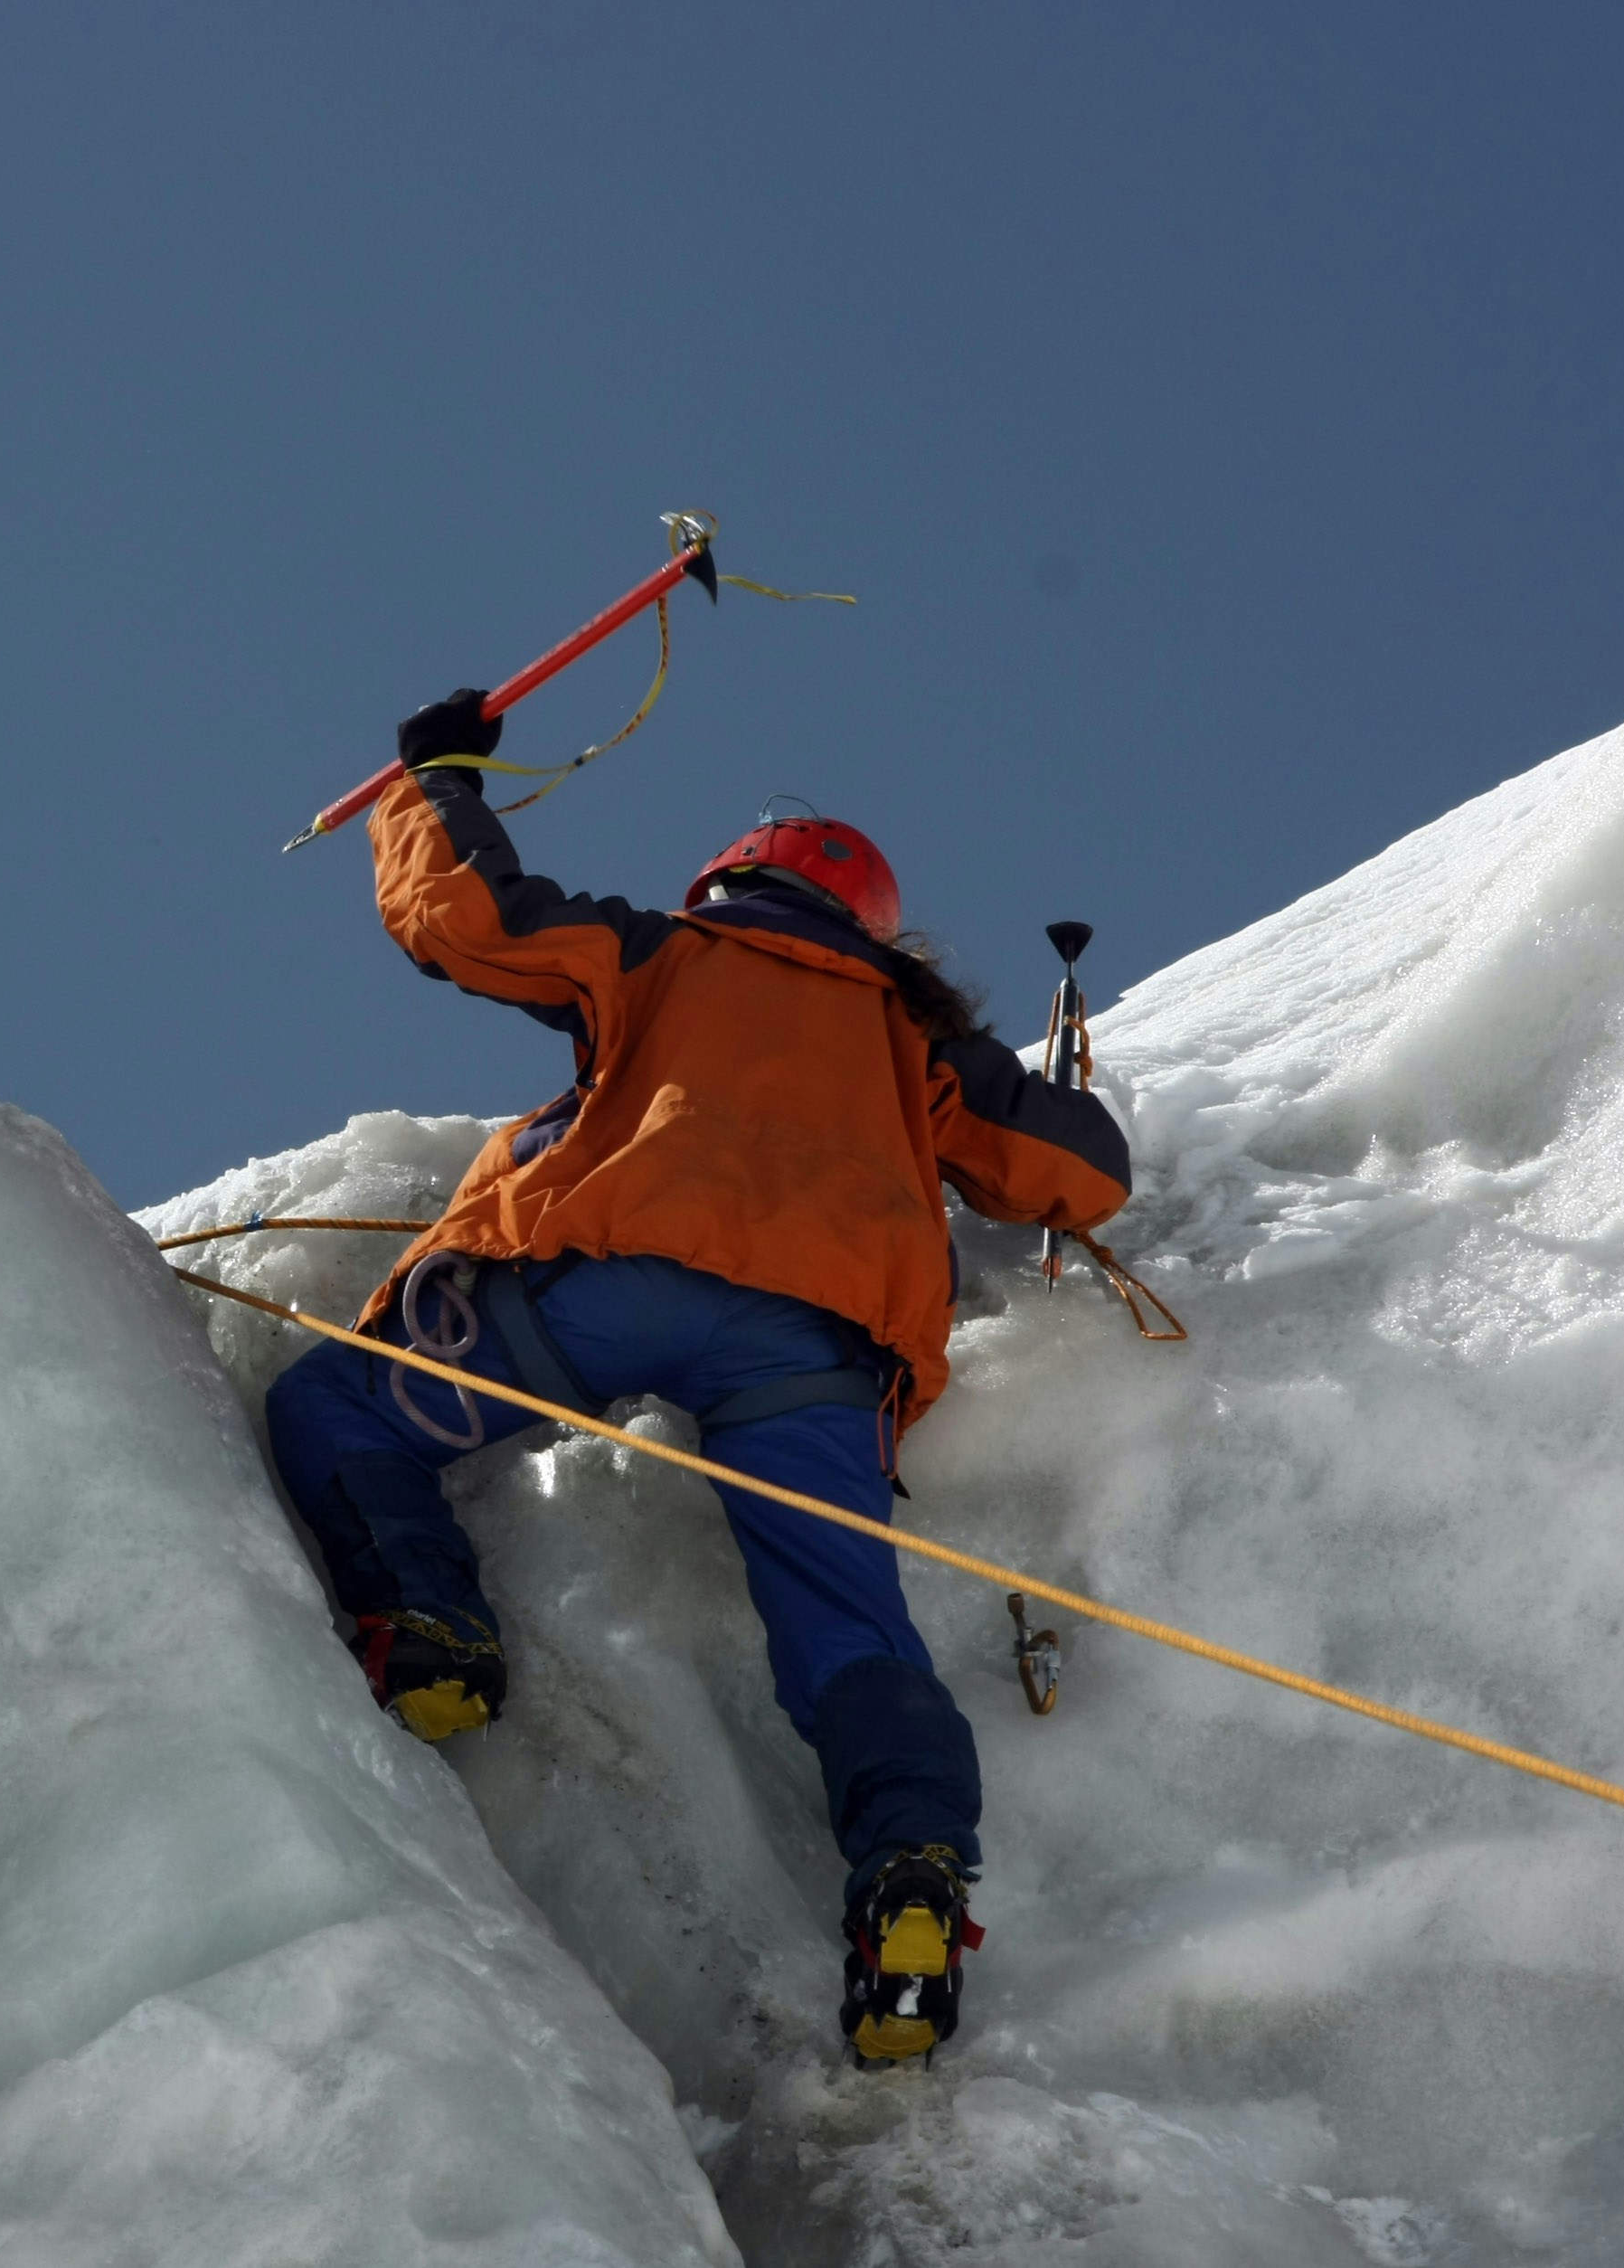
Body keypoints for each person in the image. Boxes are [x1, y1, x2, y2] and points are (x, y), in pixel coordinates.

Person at [265, 690, 1131, 2063]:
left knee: (337, 1409)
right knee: (850, 1633)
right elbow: (1082, 1180)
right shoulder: (918, 1043)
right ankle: (910, 1865)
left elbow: (469, 919)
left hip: (610, 1290)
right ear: (875, 929)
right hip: (815, 1354)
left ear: (728, 881)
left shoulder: (660, 952)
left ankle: (431, 1628)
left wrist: (434, 779)